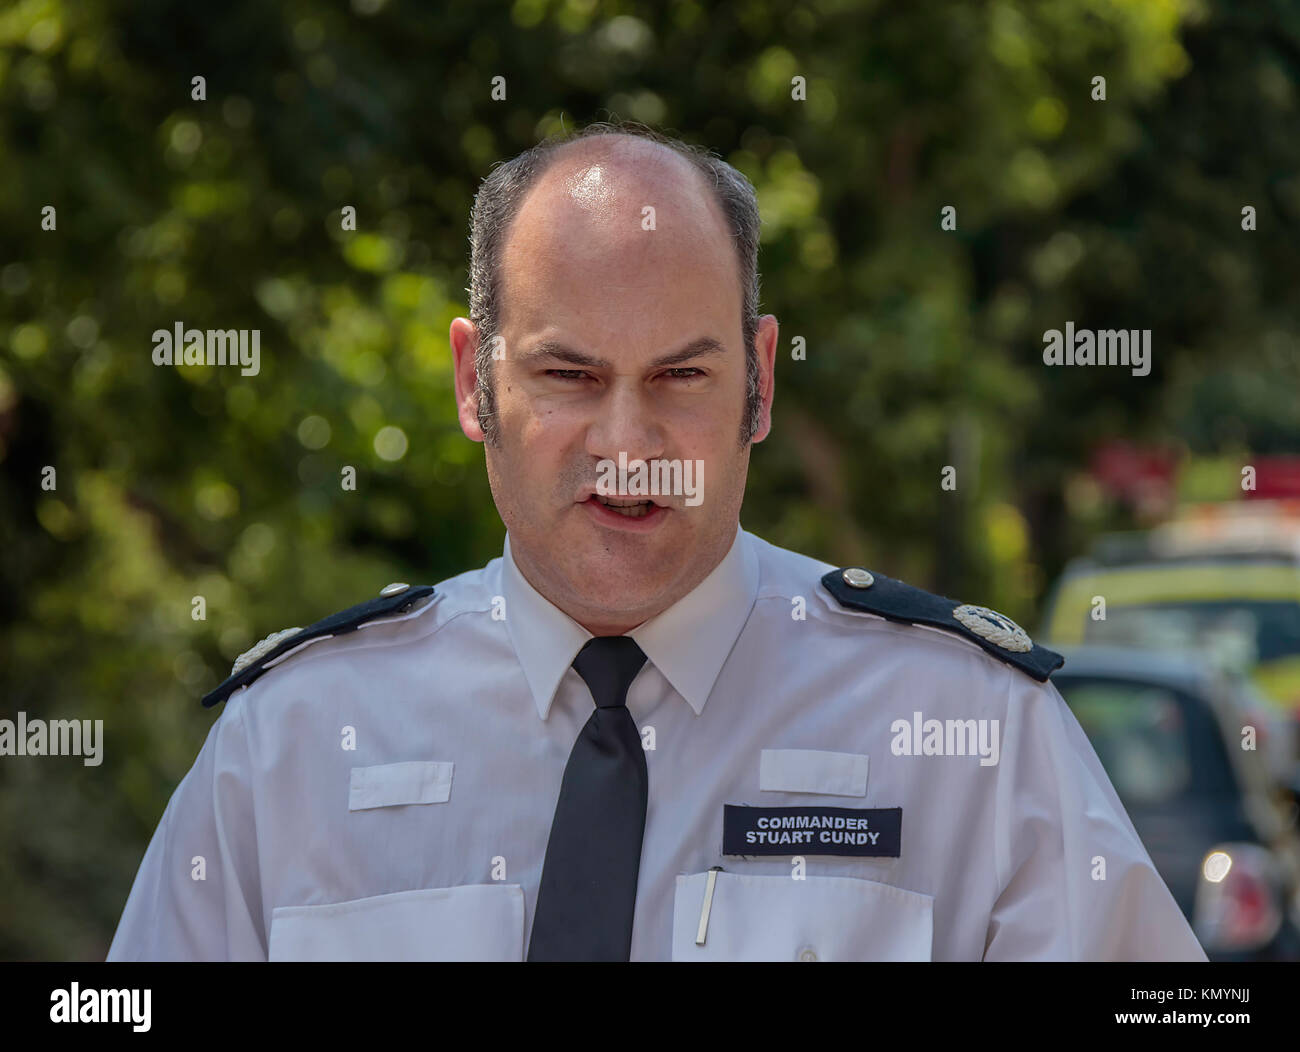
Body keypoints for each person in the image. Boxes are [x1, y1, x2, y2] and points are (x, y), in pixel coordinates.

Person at [107, 121, 1206, 962]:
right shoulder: (289, 749)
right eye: (568, 375)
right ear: (469, 381)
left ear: (760, 379)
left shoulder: (971, 735)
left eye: (681, 375)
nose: (626, 444)